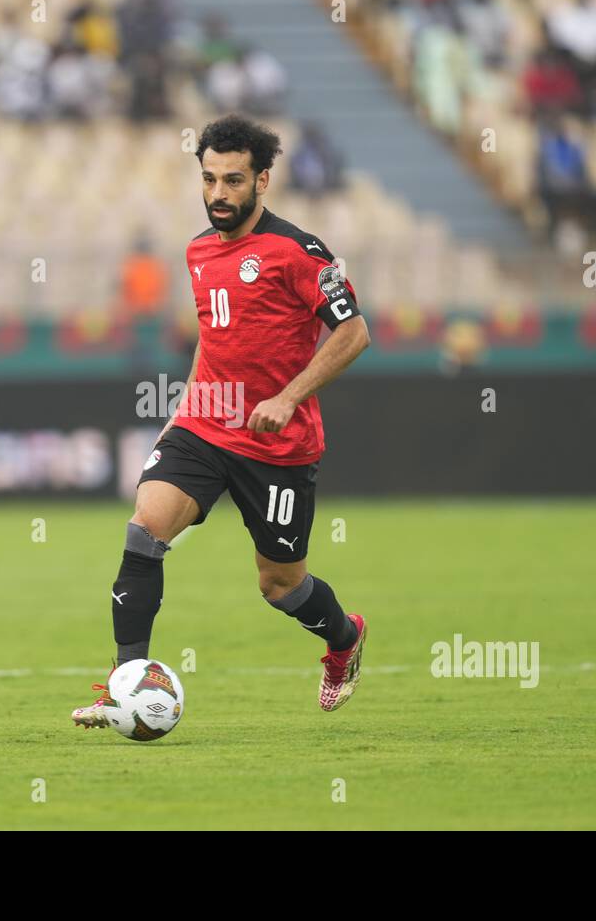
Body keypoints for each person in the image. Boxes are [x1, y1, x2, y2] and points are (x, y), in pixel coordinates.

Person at [72, 115, 372, 728]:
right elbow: (214, 342)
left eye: (233, 181)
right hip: (206, 427)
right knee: (144, 531)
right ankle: (125, 686)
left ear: (263, 181)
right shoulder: (198, 251)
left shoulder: (300, 253)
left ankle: (343, 639)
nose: (217, 194)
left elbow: (355, 331)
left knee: (281, 585)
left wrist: (288, 397)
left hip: (278, 446)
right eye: (208, 179)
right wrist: (181, 411)